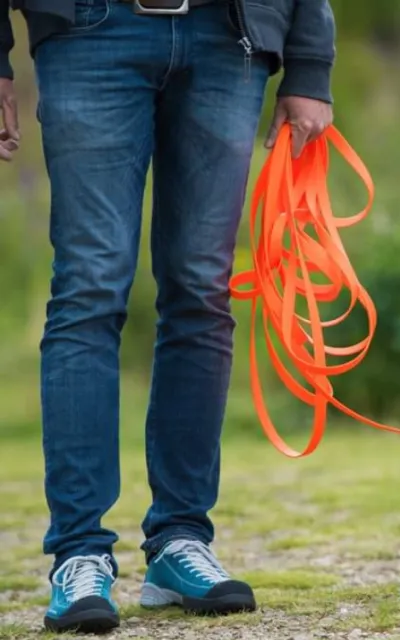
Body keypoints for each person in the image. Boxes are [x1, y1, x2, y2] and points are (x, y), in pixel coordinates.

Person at [0, 0, 335, 632]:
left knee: (202, 291)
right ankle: (80, 553)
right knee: (89, 289)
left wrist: (310, 63)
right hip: (86, 28)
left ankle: (181, 543)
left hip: (227, 35)